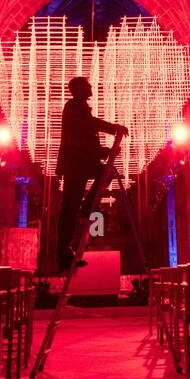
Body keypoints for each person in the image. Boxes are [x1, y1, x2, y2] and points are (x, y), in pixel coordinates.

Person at [55, 76, 127, 273]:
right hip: (76, 164)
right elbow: (86, 129)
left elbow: (86, 135)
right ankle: (63, 254)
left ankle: (86, 206)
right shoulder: (74, 107)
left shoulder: (78, 108)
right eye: (87, 85)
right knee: (68, 211)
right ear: (78, 89)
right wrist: (113, 130)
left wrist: (103, 151)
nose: (91, 87)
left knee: (104, 174)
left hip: (81, 162)